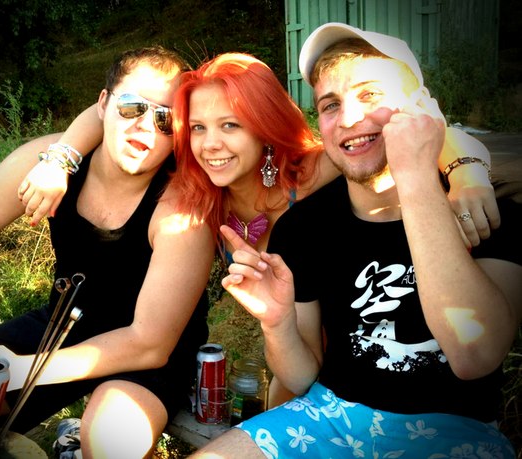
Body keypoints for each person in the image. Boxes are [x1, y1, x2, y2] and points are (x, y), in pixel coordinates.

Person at [17, 51, 500, 409]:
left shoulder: (309, 172)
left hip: (351, 332)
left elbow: (410, 132)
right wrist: (62, 157)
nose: (210, 144)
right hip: (287, 336)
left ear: (264, 127)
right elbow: (104, 113)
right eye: (197, 128)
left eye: (231, 125)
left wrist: (467, 172)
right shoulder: (196, 187)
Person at [190, 23, 522, 458]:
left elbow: (475, 356)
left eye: (370, 95)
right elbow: (301, 376)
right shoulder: (302, 227)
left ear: (421, 109)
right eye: (331, 105)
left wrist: (417, 175)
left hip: (457, 431)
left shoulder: (487, 211)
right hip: (328, 415)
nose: (348, 119)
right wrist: (277, 323)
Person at [0, 46, 215, 458]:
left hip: (150, 353)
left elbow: (150, 344)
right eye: (132, 106)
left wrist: (19, 370)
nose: (146, 125)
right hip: (65, 322)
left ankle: (79, 439)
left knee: (111, 440)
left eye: (165, 118)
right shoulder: (49, 163)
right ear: (103, 104)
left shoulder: (181, 209)